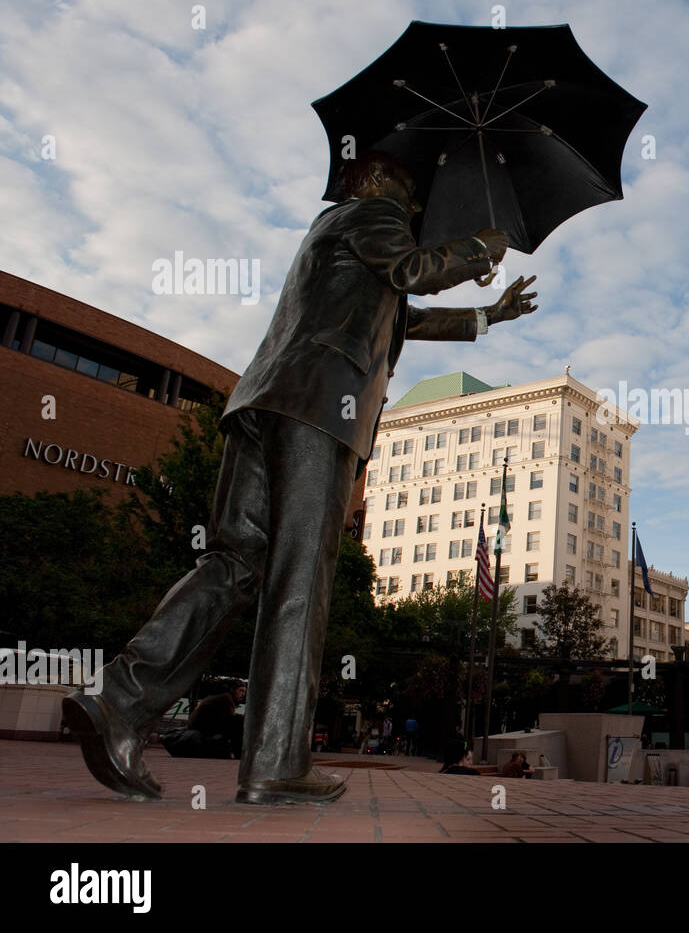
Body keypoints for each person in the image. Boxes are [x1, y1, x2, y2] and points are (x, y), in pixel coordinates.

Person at [62, 149, 539, 805]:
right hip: (318, 411)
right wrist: (487, 246)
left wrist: (491, 316)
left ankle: (117, 700)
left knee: (233, 562)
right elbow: (414, 270)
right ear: (376, 181)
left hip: (266, 404)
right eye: (410, 188)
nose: (417, 204)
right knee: (301, 576)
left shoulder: (339, 237)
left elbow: (406, 313)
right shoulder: (371, 213)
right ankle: (275, 765)